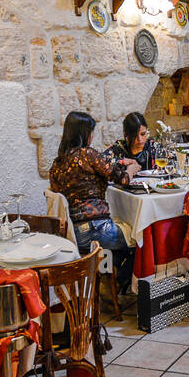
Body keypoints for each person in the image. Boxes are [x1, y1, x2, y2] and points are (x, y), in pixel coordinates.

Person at [49, 111, 137, 293]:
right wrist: (132, 168)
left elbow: (104, 167)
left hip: (74, 234)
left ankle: (120, 284)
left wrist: (119, 162)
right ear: (84, 133)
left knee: (126, 239)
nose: (92, 136)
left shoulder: (58, 163)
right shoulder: (86, 154)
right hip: (96, 230)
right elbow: (121, 179)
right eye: (91, 132)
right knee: (141, 234)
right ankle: (131, 287)